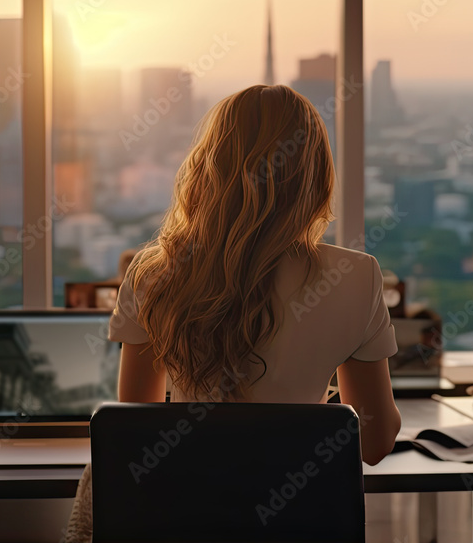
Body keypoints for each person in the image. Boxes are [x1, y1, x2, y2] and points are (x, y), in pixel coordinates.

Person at [64, 85, 401, 541]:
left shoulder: (155, 273)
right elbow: (376, 444)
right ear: (315, 173)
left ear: (209, 166)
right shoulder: (356, 275)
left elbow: (135, 435)